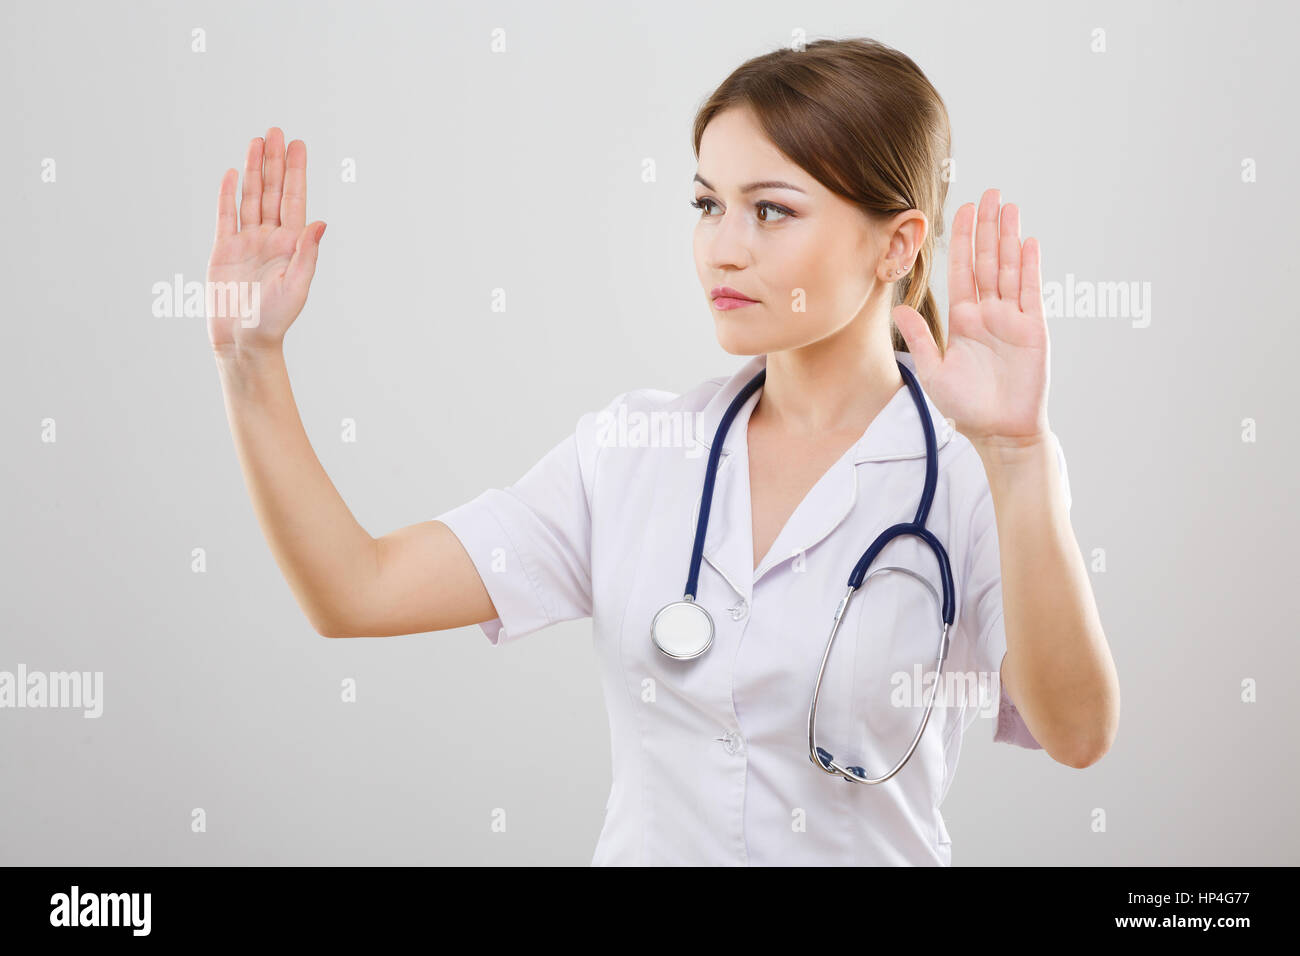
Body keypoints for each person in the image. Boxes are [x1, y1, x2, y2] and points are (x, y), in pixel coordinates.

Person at [206, 37, 1119, 866]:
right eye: (707, 203)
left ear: (897, 243)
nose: (722, 249)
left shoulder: (973, 478)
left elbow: (1076, 731)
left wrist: (1016, 453)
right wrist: (251, 362)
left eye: (771, 211)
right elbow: (354, 590)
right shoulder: (634, 452)